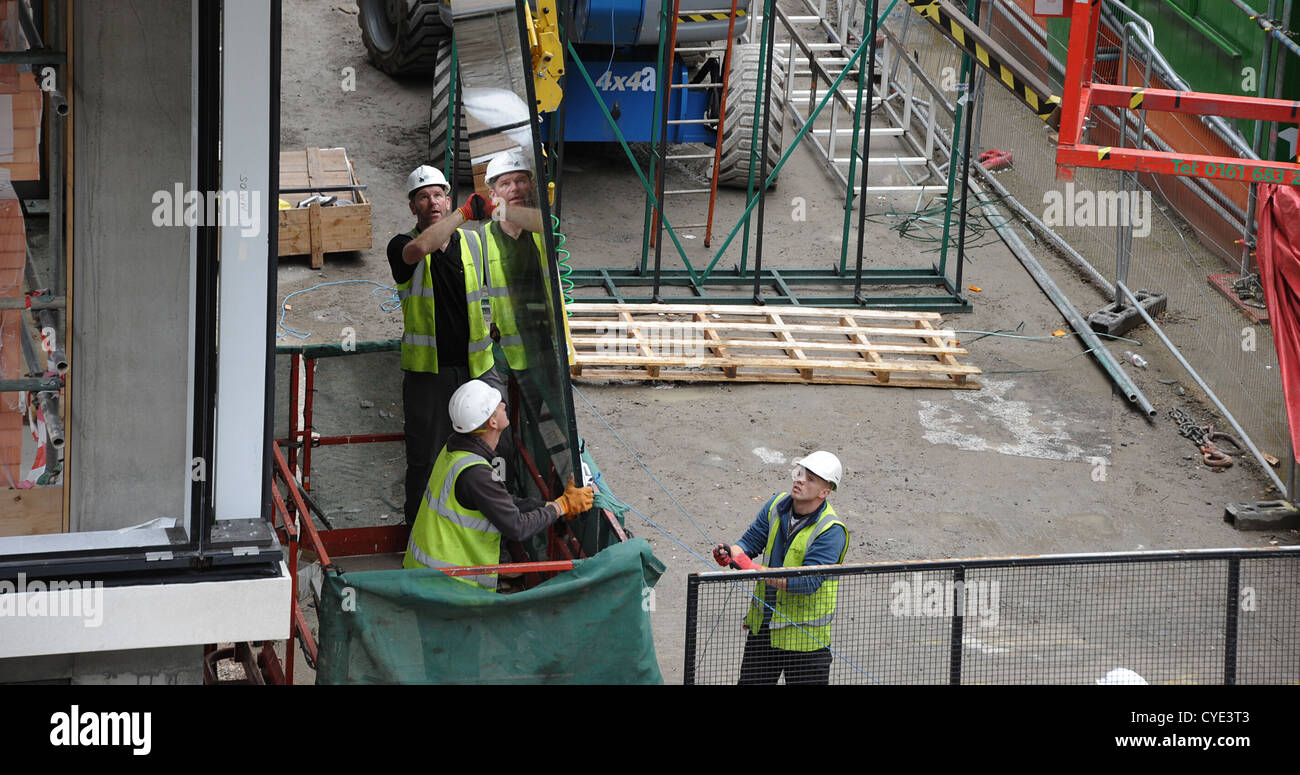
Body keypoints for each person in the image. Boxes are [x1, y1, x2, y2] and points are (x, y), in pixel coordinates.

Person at [388, 165, 503, 527]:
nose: (432, 201)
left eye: (438, 194)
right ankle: (419, 536)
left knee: (493, 453)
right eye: (423, 196)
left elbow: (500, 282)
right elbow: (424, 245)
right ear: (413, 207)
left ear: (447, 198)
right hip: (428, 375)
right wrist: (465, 213)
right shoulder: (402, 246)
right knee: (425, 458)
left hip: (477, 368)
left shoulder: (472, 242)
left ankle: (485, 532)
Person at [403, 379, 594, 590]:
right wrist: (562, 506)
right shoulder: (476, 474)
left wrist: (549, 506)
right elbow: (517, 527)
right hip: (449, 587)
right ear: (492, 422)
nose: (504, 404)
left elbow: (501, 503)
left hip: (427, 574)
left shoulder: (455, 450)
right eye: (497, 405)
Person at [714, 450, 849, 685]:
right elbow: (750, 541)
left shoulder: (831, 531)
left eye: (811, 479)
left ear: (825, 492)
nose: (799, 480)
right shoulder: (776, 505)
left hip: (805, 643)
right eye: (801, 473)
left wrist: (752, 568)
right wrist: (732, 552)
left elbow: (806, 583)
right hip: (764, 631)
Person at [479, 149, 549, 372]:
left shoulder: (543, 234)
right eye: (505, 183)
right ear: (493, 194)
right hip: (504, 349)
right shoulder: (482, 238)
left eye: (520, 181)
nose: (514, 189)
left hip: (545, 345)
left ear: (530, 186)